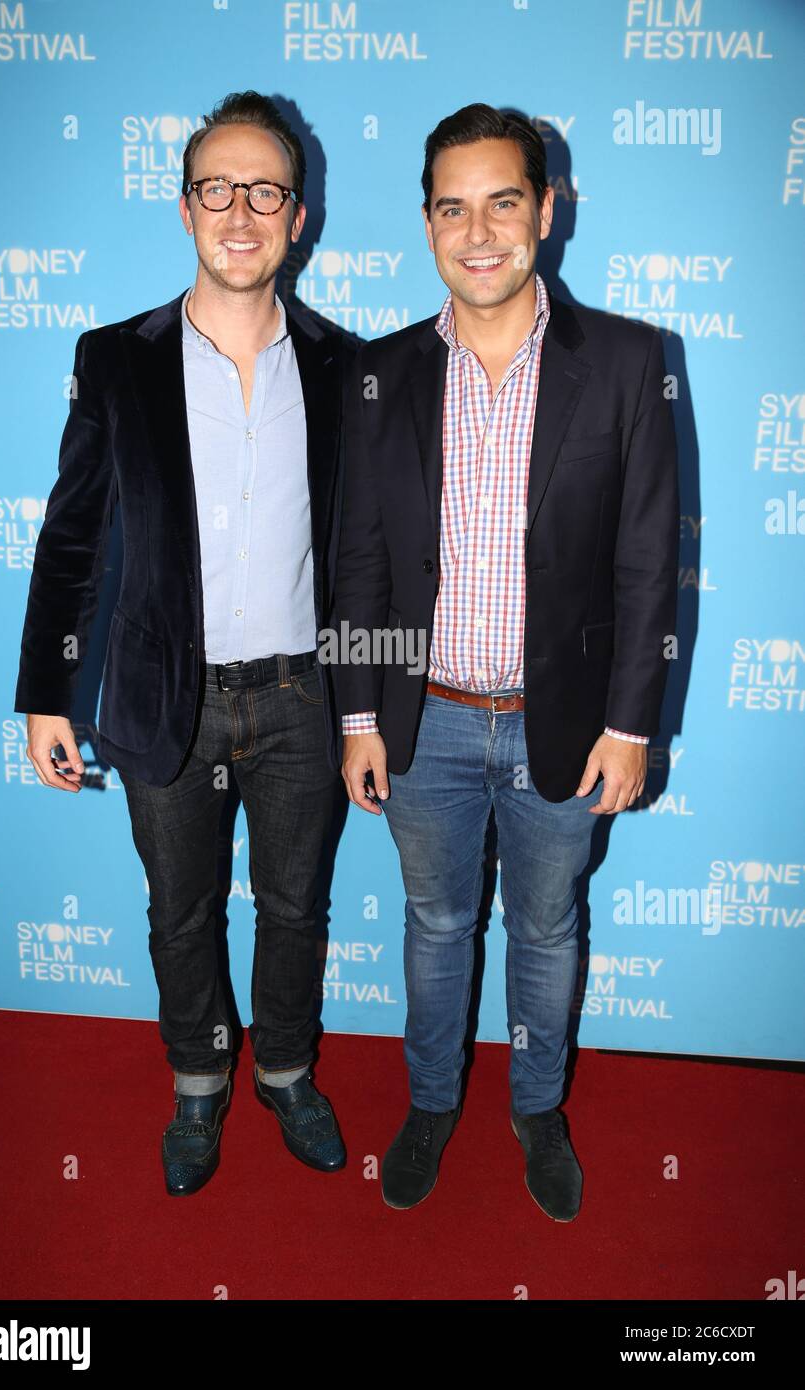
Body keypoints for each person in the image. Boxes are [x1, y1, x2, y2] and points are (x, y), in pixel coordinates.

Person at [331, 103, 679, 1218]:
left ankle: (535, 1105)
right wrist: (356, 719)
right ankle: (431, 1101)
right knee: (434, 926)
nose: (476, 231)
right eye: (451, 206)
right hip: (421, 721)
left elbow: (645, 564)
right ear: (425, 220)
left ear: (545, 209)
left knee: (545, 928)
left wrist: (631, 726)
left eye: (502, 202)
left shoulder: (628, 363)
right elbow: (359, 565)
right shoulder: (379, 374)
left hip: (565, 723)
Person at [15, 91, 355, 1196]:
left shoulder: (346, 368)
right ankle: (200, 1085)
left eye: (267, 190)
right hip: (167, 694)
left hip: (305, 697)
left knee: (297, 907)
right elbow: (74, 537)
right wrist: (47, 694)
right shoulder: (116, 360)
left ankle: (289, 1070)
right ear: (184, 209)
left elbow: (371, 550)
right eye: (218, 188)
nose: (241, 212)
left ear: (297, 216)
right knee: (181, 909)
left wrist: (373, 702)